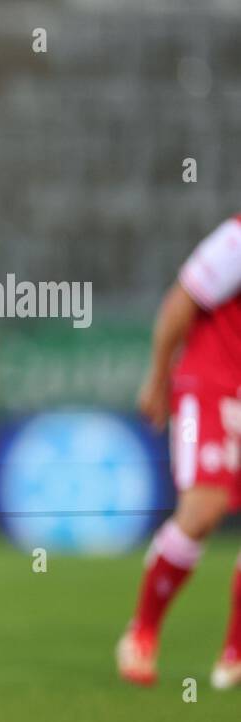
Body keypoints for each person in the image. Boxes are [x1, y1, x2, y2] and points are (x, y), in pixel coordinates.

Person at [120, 212, 241, 690]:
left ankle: (234, 655)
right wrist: (157, 377)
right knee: (204, 509)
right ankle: (142, 632)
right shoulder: (237, 237)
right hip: (211, 384)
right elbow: (181, 302)